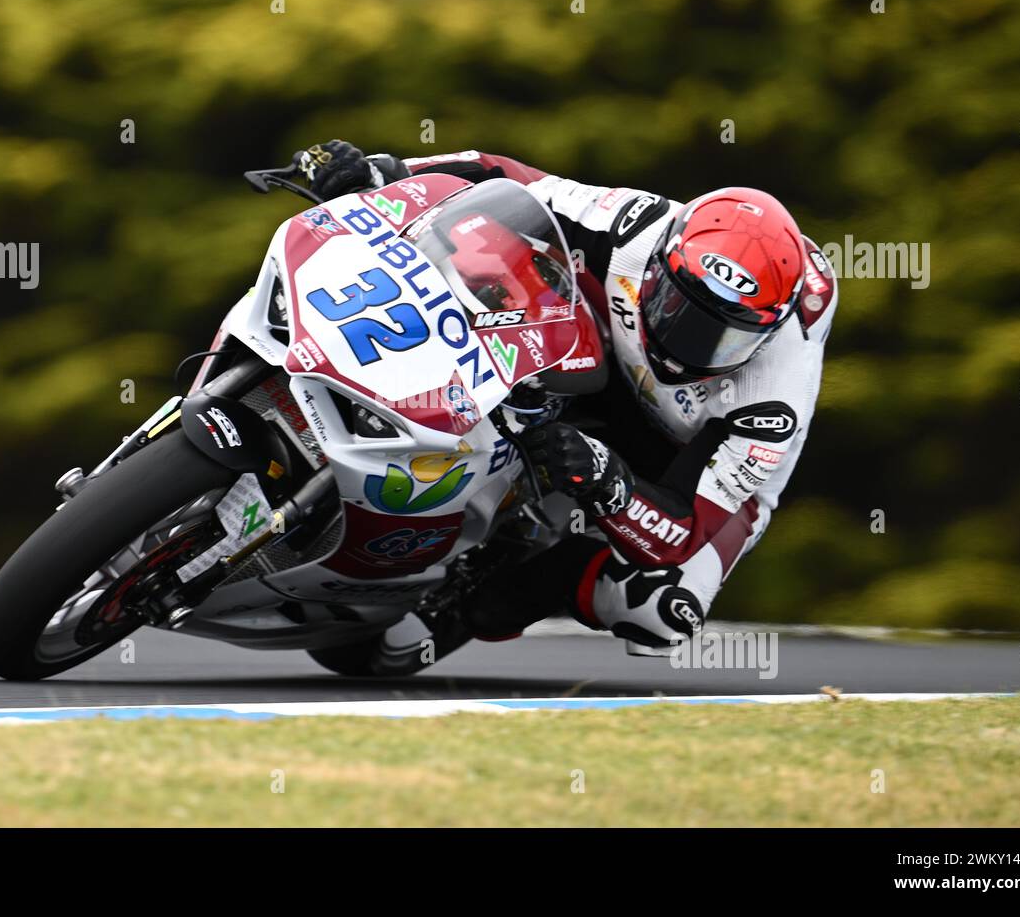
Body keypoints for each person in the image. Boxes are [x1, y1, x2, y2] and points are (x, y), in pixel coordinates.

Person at [294, 140, 839, 654]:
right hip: (588, 353)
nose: (688, 346)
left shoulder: (769, 401)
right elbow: (499, 177)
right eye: (680, 307)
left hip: (682, 456)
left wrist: (610, 479)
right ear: (658, 263)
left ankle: (499, 582)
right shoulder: (637, 225)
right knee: (495, 254)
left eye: (726, 335)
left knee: (662, 613)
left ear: (768, 332)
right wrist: (379, 174)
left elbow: (680, 534)